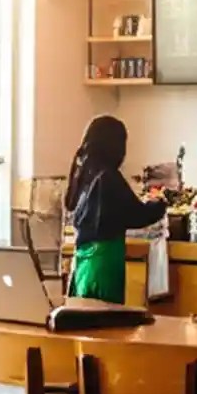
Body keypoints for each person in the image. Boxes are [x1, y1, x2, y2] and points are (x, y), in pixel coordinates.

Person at [64, 115, 166, 305]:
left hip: (83, 260)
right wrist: (160, 203)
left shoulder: (85, 172)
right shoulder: (108, 177)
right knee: (104, 323)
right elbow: (137, 215)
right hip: (103, 262)